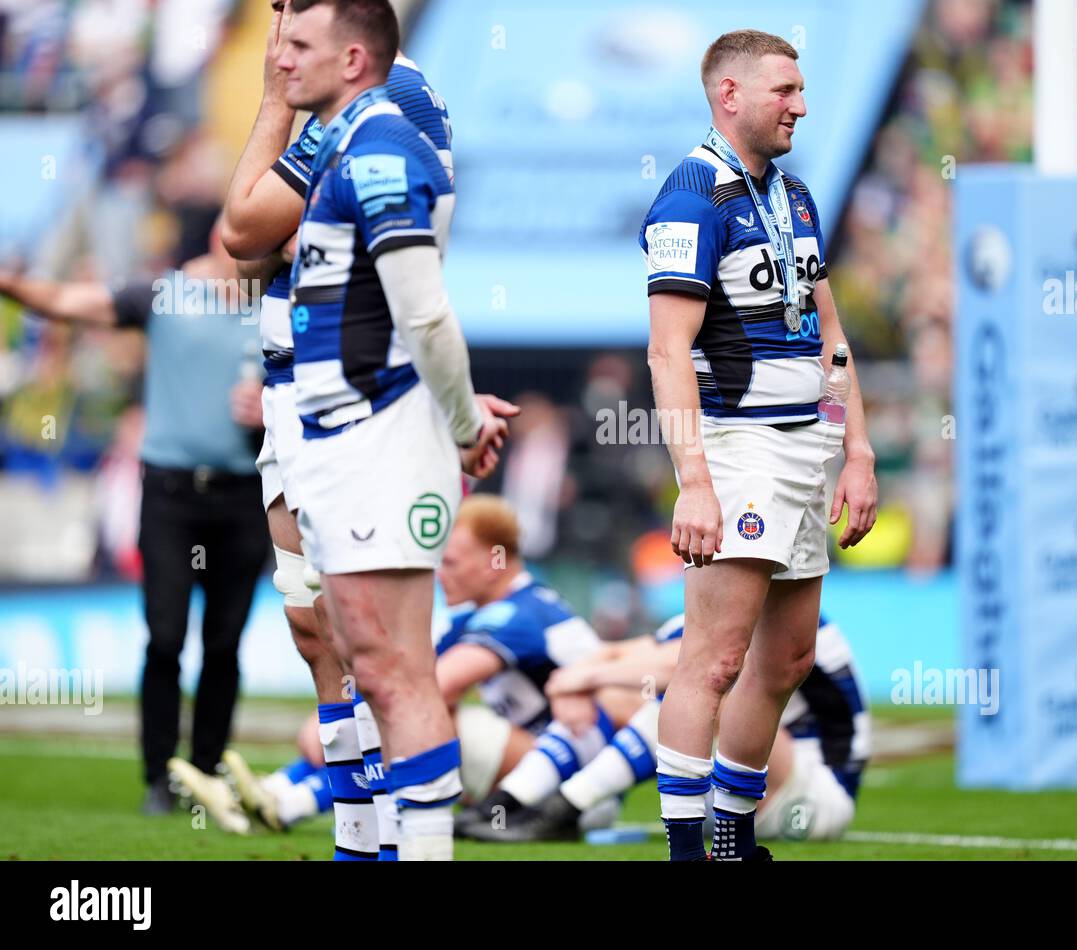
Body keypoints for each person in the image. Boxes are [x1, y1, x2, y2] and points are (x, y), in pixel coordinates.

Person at [219, 0, 515, 861]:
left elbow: (411, 301)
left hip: (373, 420)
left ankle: (406, 848)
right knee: (331, 636)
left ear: (351, 51)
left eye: (296, 31)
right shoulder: (338, 120)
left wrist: (457, 416)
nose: (277, 45)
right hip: (309, 406)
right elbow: (246, 242)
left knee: (390, 662)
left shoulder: (389, 123)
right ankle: (359, 844)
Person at [640, 29, 878, 861]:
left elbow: (832, 338)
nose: (801, 106)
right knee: (712, 659)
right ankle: (686, 851)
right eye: (785, 91)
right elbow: (667, 351)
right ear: (729, 95)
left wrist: (857, 451)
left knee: (786, 658)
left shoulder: (797, 195)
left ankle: (734, 837)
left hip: (809, 447)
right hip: (739, 448)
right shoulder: (689, 198)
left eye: (803, 90)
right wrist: (694, 481)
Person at [0, 221, 269, 827]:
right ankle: (158, 776)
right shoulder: (167, 295)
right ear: (225, 235)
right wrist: (10, 283)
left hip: (245, 495)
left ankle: (204, 773)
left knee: (224, 644)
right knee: (165, 637)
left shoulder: (279, 301)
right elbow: (71, 302)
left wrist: (274, 405)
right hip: (172, 494)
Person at [479, 613, 871, 843]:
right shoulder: (717, 602)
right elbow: (619, 653)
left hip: (813, 799)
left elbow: (678, 668)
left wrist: (580, 680)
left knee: (709, 689)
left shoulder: (780, 604)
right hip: (733, 792)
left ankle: (567, 805)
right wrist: (577, 682)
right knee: (626, 694)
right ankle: (511, 804)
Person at [428, 495, 636, 834]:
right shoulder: (488, 611)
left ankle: (392, 809)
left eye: (450, 562)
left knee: (441, 720)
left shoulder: (517, 614)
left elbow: (439, 686)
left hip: (575, 785)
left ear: (491, 558)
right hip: (567, 775)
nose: (440, 575)